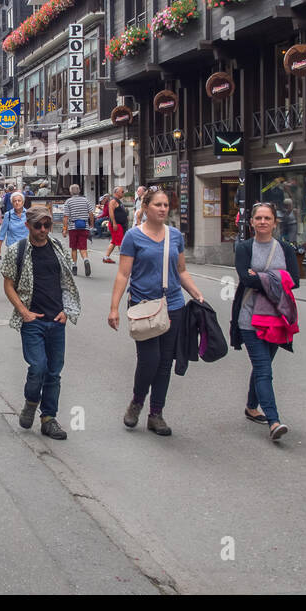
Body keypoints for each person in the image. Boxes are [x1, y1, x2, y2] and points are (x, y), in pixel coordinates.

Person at [107, 187, 205, 435]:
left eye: (165, 205)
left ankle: (156, 414)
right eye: (157, 205)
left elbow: (181, 270)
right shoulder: (133, 237)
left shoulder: (175, 236)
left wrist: (195, 293)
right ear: (146, 207)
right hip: (143, 306)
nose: (163, 209)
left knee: (164, 363)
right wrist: (114, 308)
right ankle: (137, 401)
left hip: (173, 305)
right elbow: (123, 274)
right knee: (149, 359)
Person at [1, 204, 80, 442]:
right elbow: (8, 285)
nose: (44, 230)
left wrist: (67, 311)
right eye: (39, 226)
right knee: (38, 368)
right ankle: (31, 402)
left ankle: (48, 419)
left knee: (54, 372)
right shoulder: (17, 251)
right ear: (28, 226)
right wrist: (24, 312)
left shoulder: (58, 248)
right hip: (32, 320)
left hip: (57, 319)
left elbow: (67, 282)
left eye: (47, 225)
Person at [230, 201, 302, 443]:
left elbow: (294, 280)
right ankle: (274, 421)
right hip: (249, 317)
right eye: (258, 218)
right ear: (251, 222)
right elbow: (245, 279)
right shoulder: (244, 248)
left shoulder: (285, 249)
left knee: (263, 366)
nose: (262, 222)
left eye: (267, 218)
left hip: (277, 317)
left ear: (274, 222)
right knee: (264, 369)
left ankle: (252, 407)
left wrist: (259, 276)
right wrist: (275, 278)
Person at [61, 184, 94, 277]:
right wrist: (91, 224)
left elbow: (66, 217)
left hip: (73, 227)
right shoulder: (85, 200)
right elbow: (91, 213)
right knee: (83, 247)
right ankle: (86, 260)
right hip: (84, 227)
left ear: (70, 192)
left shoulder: (68, 202)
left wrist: (64, 229)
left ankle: (74, 267)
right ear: (79, 191)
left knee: (74, 248)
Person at [0, 191, 28, 261]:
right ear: (12, 203)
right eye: (14, 201)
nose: (17, 202)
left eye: (19, 200)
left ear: (23, 202)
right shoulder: (8, 215)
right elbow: (2, 234)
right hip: (12, 249)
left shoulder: (29, 214)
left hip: (26, 248)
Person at [101, 187, 128, 264]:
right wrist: (114, 223)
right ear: (116, 192)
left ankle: (106, 257)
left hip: (120, 224)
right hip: (117, 225)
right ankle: (125, 259)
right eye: (122, 192)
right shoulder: (113, 201)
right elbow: (111, 213)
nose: (123, 193)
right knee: (120, 242)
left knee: (114, 242)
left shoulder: (118, 201)